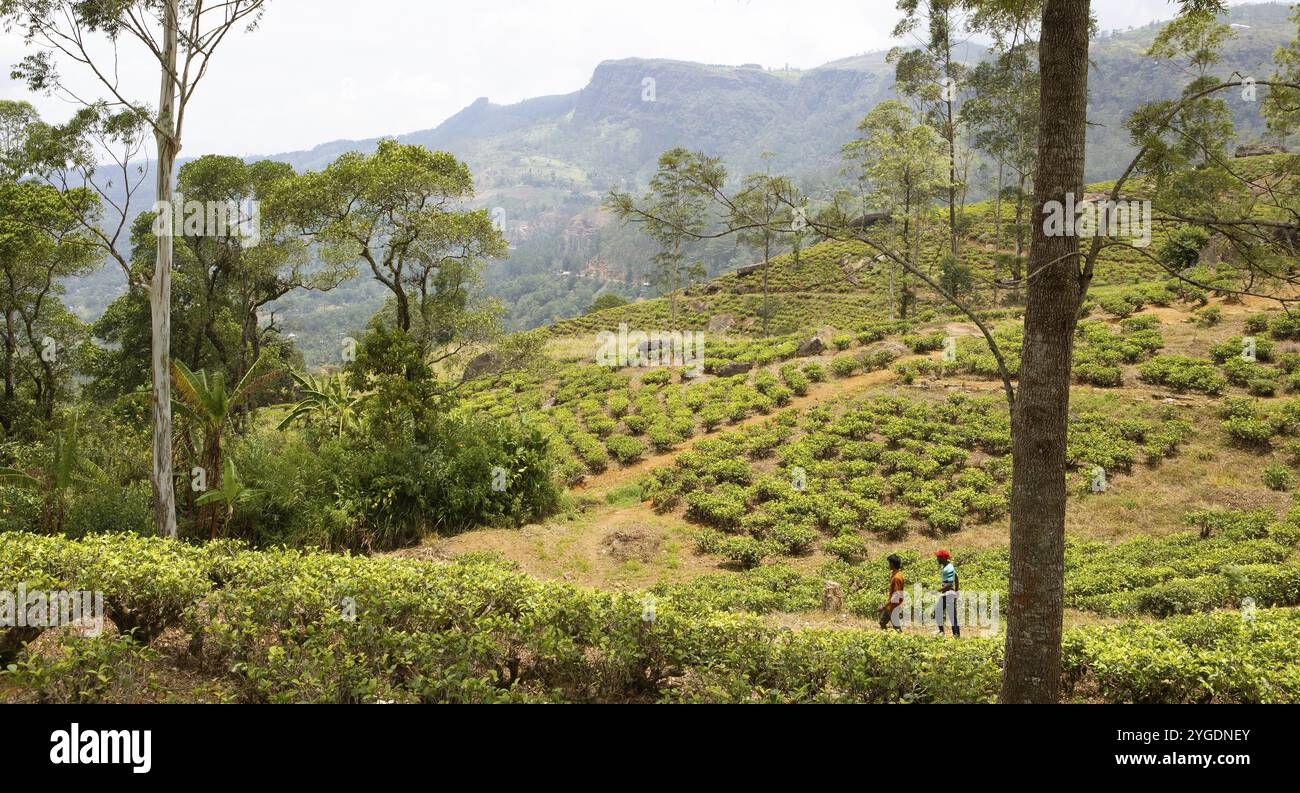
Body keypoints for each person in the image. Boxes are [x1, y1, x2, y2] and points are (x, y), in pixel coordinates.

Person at [934, 549, 960, 637]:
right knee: (951, 615)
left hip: (948, 593)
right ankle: (955, 634)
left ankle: (943, 632)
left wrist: (938, 590)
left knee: (938, 611)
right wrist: (956, 591)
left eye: (938, 557)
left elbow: (949, 584)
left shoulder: (948, 568)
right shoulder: (949, 566)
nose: (937, 559)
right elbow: (956, 577)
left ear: (943, 558)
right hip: (949, 593)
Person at [878, 554, 904, 630]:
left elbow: (896, 595)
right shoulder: (898, 574)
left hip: (893, 605)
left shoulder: (896, 577)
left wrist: (884, 606)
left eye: (889, 563)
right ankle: (891, 638)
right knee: (883, 622)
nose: (888, 565)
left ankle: (898, 639)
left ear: (892, 564)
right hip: (893, 605)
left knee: (890, 625)